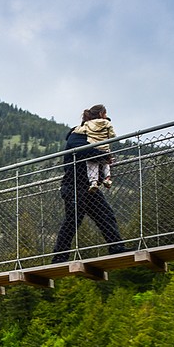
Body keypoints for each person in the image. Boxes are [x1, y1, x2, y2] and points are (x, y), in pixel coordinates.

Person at [51, 108, 130, 263]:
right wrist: (102, 156)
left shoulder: (94, 138)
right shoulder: (78, 133)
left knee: (105, 215)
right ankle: (60, 257)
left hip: (88, 187)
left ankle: (116, 247)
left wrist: (103, 159)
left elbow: (93, 155)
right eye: (105, 116)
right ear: (100, 116)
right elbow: (79, 150)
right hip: (73, 186)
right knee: (73, 219)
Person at [75, 104, 116, 189]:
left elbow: (80, 131)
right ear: (101, 114)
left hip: (94, 147)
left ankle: (93, 182)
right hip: (104, 148)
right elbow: (112, 135)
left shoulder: (87, 124)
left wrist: (75, 130)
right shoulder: (107, 123)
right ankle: (107, 178)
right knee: (106, 163)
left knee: (92, 165)